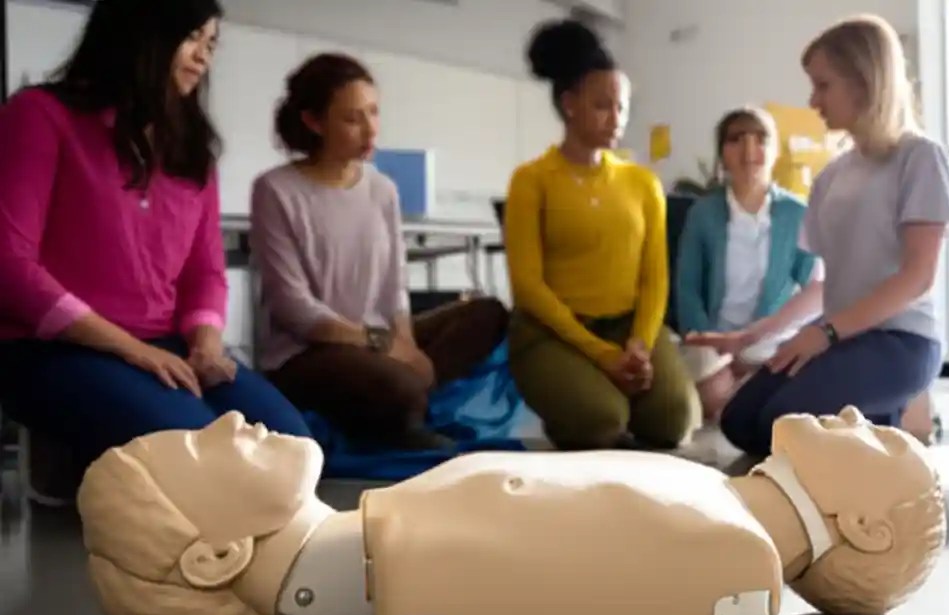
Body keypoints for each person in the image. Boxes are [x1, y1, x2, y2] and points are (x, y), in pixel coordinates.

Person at [0, 0, 311, 507]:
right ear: (141, 37)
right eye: (191, 38)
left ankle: (97, 453)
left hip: (164, 345)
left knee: (293, 449)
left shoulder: (192, 153)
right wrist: (129, 348)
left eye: (210, 44)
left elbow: (205, 272)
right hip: (48, 349)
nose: (203, 56)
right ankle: (80, 458)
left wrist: (208, 344)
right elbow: (8, 263)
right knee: (210, 459)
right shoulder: (39, 115)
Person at [719, 14, 949, 458]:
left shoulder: (920, 157)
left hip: (902, 342)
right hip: (843, 336)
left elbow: (918, 277)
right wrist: (752, 336)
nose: (813, 100)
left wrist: (824, 334)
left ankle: (882, 429)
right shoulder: (832, 176)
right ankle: (871, 431)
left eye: (823, 85)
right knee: (739, 422)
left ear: (863, 82)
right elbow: (823, 285)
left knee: (780, 423)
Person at [249, 53, 509, 451]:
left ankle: (405, 402)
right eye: (353, 119)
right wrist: (389, 348)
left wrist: (406, 344)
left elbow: (394, 285)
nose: (370, 129)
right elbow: (295, 309)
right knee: (400, 384)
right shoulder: (276, 190)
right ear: (314, 122)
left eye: (374, 112)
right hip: (308, 355)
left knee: (489, 315)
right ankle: (405, 403)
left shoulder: (382, 188)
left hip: (377, 344)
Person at [502, 20, 696, 450]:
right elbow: (527, 288)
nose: (617, 119)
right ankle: (573, 405)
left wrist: (640, 347)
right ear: (570, 104)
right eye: (602, 105)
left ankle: (607, 388)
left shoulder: (642, 183)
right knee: (601, 421)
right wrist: (600, 353)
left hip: (628, 329)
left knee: (673, 421)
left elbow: (655, 278)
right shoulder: (532, 180)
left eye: (622, 107)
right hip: (553, 334)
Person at [677, 106, 824, 422]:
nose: (749, 152)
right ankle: (740, 393)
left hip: (769, 338)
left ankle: (748, 393)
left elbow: (816, 285)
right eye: (736, 140)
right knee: (715, 392)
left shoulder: (796, 213)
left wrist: (761, 338)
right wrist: (711, 341)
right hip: (714, 341)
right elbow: (686, 288)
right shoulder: (703, 214)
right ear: (721, 154)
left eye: (761, 140)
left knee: (781, 388)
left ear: (774, 152)